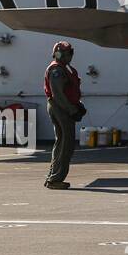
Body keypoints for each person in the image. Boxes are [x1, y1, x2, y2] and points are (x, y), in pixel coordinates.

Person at [43, 41, 85, 190]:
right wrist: (72, 110)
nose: (69, 56)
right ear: (60, 54)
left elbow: (68, 91)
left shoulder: (65, 68)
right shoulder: (56, 70)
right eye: (67, 53)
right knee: (65, 144)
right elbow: (58, 95)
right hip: (60, 107)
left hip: (62, 107)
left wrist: (77, 105)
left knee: (61, 142)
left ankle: (53, 177)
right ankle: (55, 179)